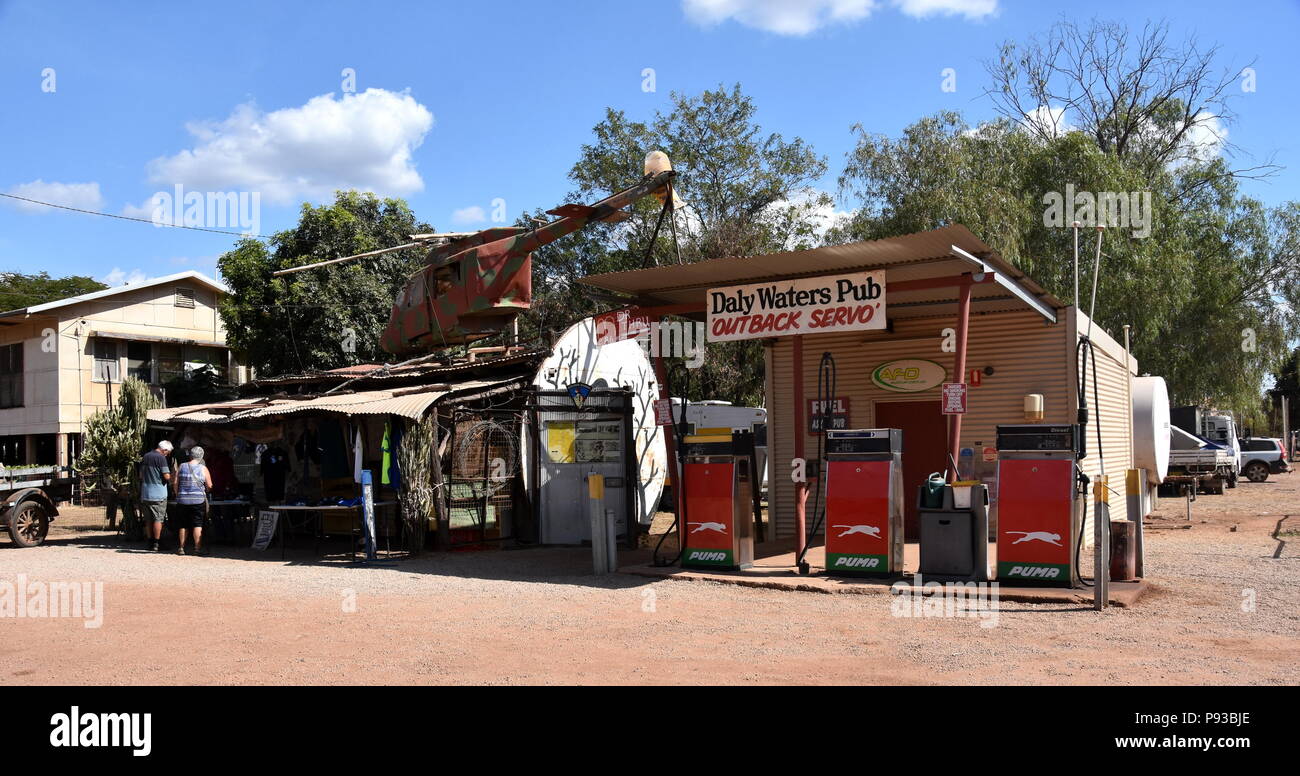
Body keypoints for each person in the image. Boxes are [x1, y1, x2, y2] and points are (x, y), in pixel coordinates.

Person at [174, 446, 212, 555]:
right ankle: (197, 548)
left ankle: (181, 547)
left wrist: (178, 494)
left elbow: (175, 483)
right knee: (197, 524)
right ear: (201, 456)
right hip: (198, 500)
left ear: (190, 455)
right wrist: (206, 489)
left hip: (182, 500)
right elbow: (209, 485)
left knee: (183, 524)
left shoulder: (181, 466)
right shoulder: (203, 468)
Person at [139, 440, 173, 551]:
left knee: (148, 520)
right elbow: (167, 476)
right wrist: (173, 476)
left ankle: (149, 542)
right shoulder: (161, 458)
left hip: (145, 492)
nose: (167, 454)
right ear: (164, 450)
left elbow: (140, 475)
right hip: (158, 494)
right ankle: (157, 543)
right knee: (158, 519)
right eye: (168, 452)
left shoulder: (146, 456)